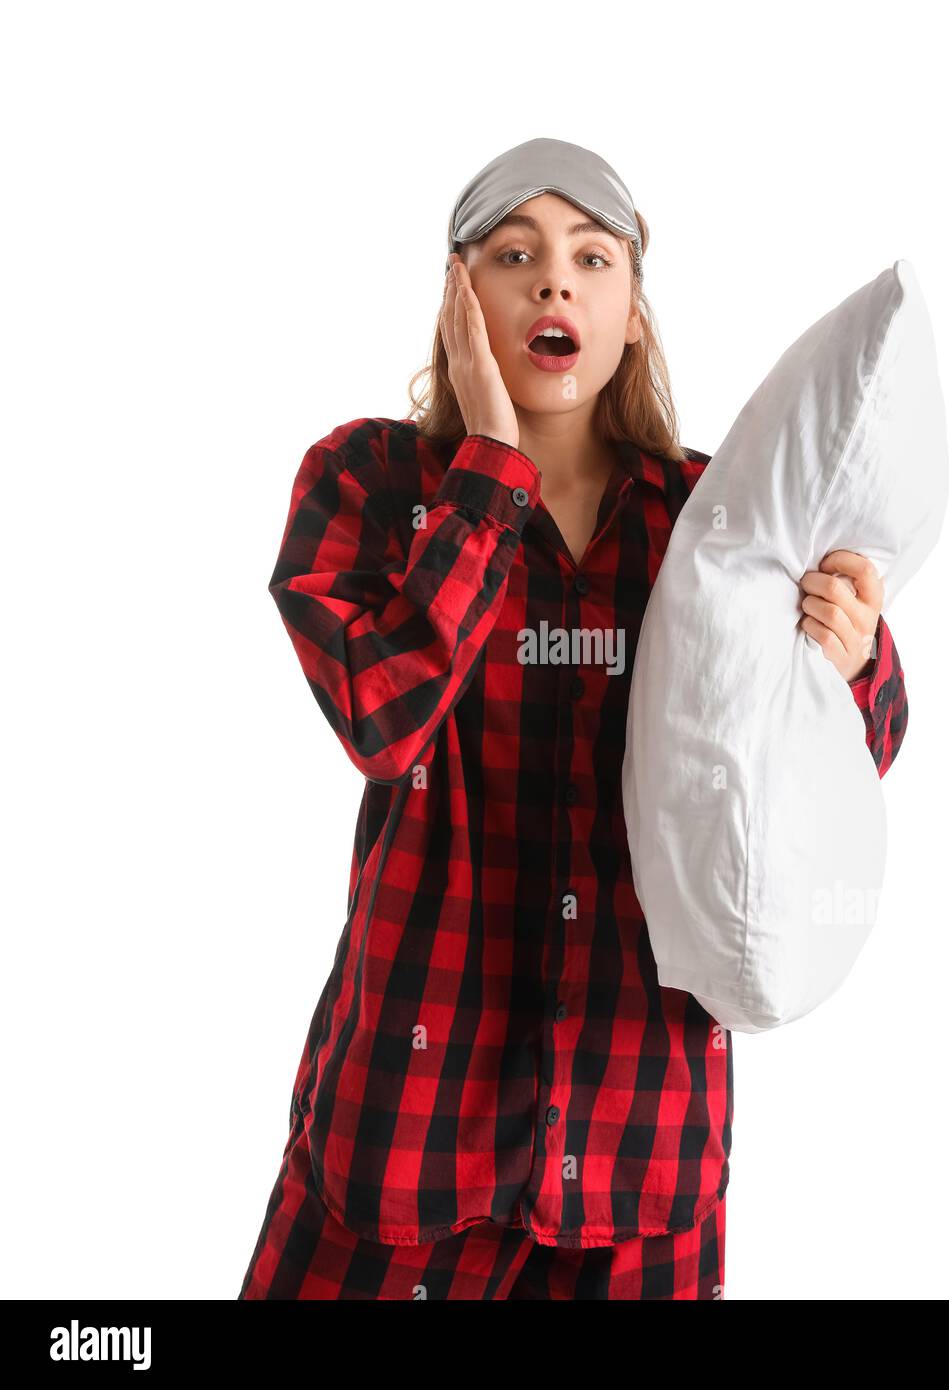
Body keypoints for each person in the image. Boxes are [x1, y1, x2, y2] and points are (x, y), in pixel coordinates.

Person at [238, 138, 908, 1301]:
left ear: (633, 310)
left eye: (592, 258)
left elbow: (840, 774)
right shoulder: (364, 485)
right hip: (404, 1134)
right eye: (515, 254)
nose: (556, 282)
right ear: (461, 298)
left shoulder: (718, 517)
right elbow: (384, 719)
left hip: (638, 1144)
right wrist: (490, 473)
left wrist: (850, 661)